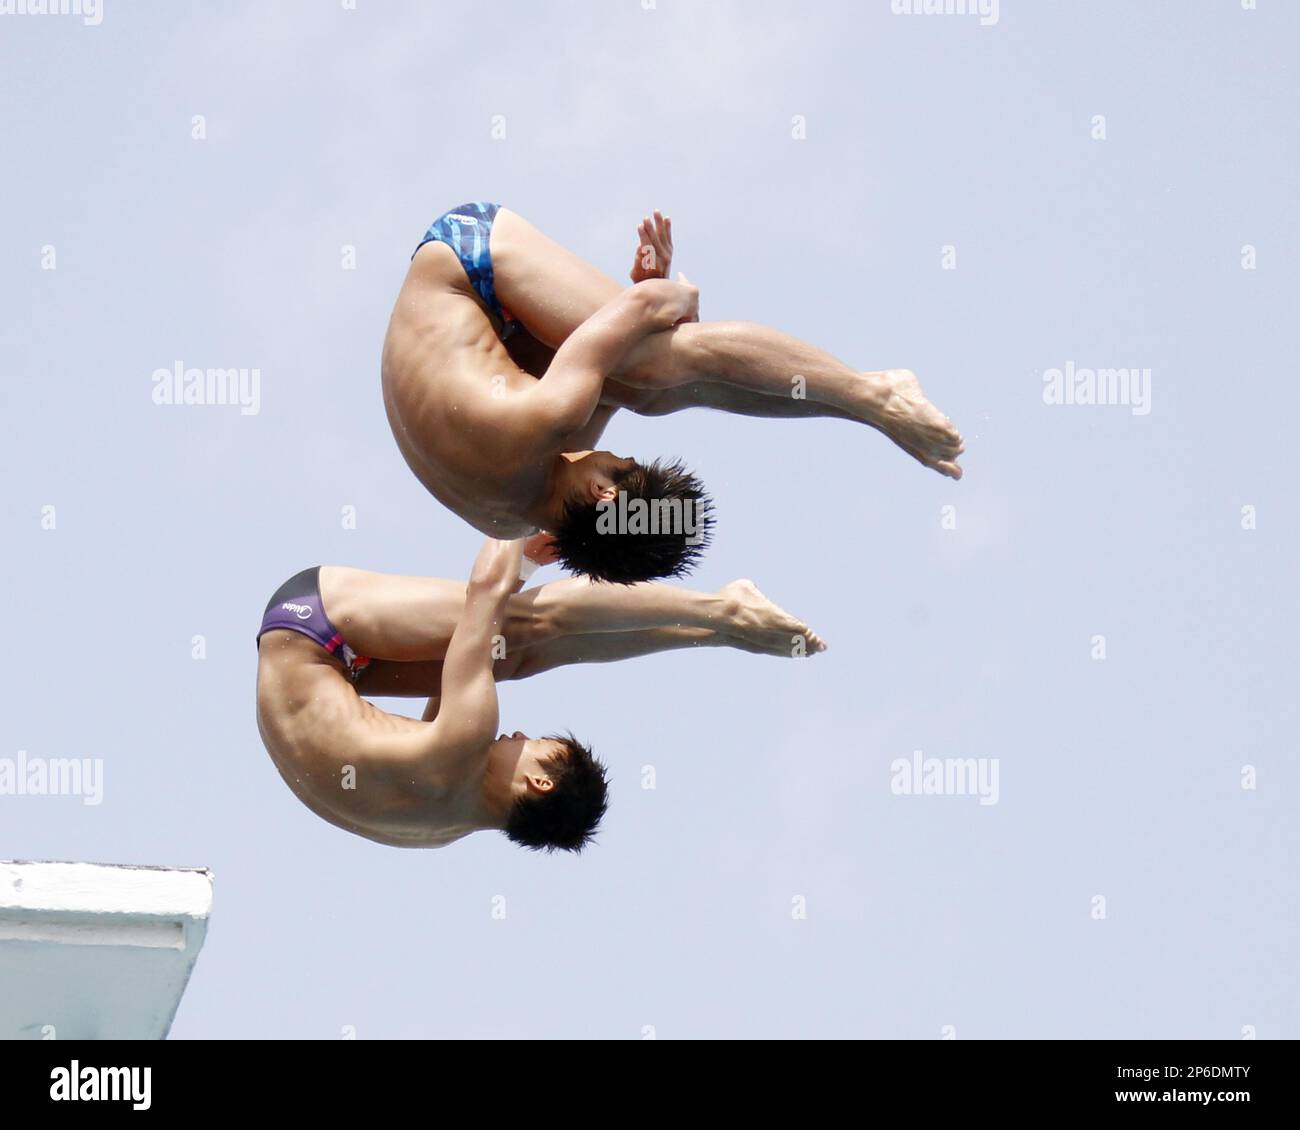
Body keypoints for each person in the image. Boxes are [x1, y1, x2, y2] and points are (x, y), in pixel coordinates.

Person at [382, 204, 964, 582]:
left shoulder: (541, 420)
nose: (615, 455)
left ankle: (873, 393)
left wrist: (669, 302)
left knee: (658, 369)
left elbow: (642, 313)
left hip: (467, 256)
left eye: (623, 465)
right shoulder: (511, 519)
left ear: (607, 499)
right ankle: (860, 408)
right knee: (644, 387)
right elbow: (603, 384)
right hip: (492, 334)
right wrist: (636, 306)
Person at [255, 538, 824, 853]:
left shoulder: (465, 739)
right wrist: (479, 660)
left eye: (532, 745)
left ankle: (721, 609)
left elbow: (487, 587)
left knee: (526, 623)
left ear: (540, 782)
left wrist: (520, 531)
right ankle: (717, 634)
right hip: (335, 667)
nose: (519, 735)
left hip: (318, 618)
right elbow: (435, 713)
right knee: (515, 654)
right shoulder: (442, 829)